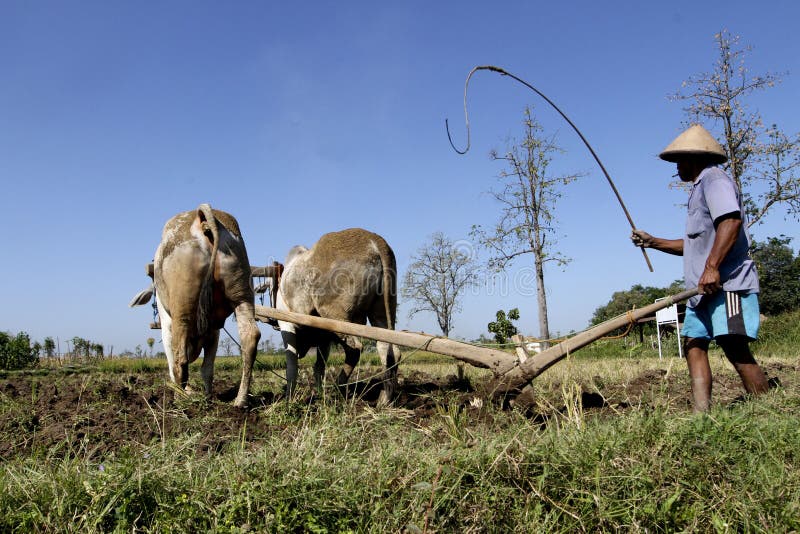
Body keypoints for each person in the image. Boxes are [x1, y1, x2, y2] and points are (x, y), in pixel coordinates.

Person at [631, 124, 770, 413]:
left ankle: (766, 409)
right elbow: (695, 244)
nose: (677, 169)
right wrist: (653, 242)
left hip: (727, 284)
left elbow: (731, 222)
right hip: (700, 290)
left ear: (692, 158)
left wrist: (712, 267)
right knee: (693, 344)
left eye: (678, 162)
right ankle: (701, 415)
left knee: (734, 346)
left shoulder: (714, 179)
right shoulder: (697, 190)